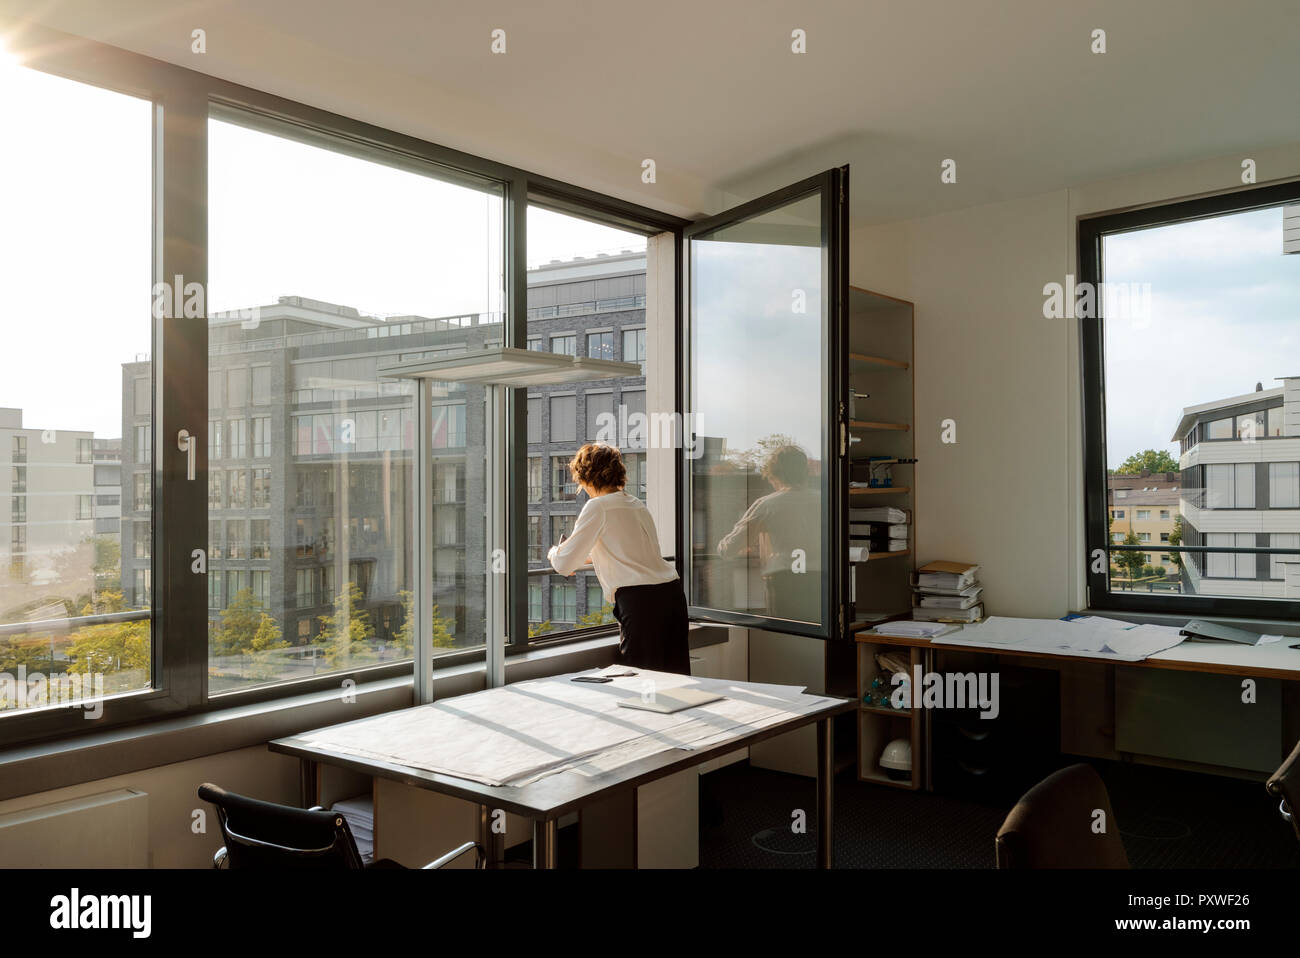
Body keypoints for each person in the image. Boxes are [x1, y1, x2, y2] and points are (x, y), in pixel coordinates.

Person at [548, 442, 688, 673]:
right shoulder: (635, 504)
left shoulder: (598, 507)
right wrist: (585, 556)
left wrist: (554, 551)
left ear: (585, 477)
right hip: (671, 594)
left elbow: (563, 564)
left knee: (642, 676)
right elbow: (630, 551)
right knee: (675, 675)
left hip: (641, 602)